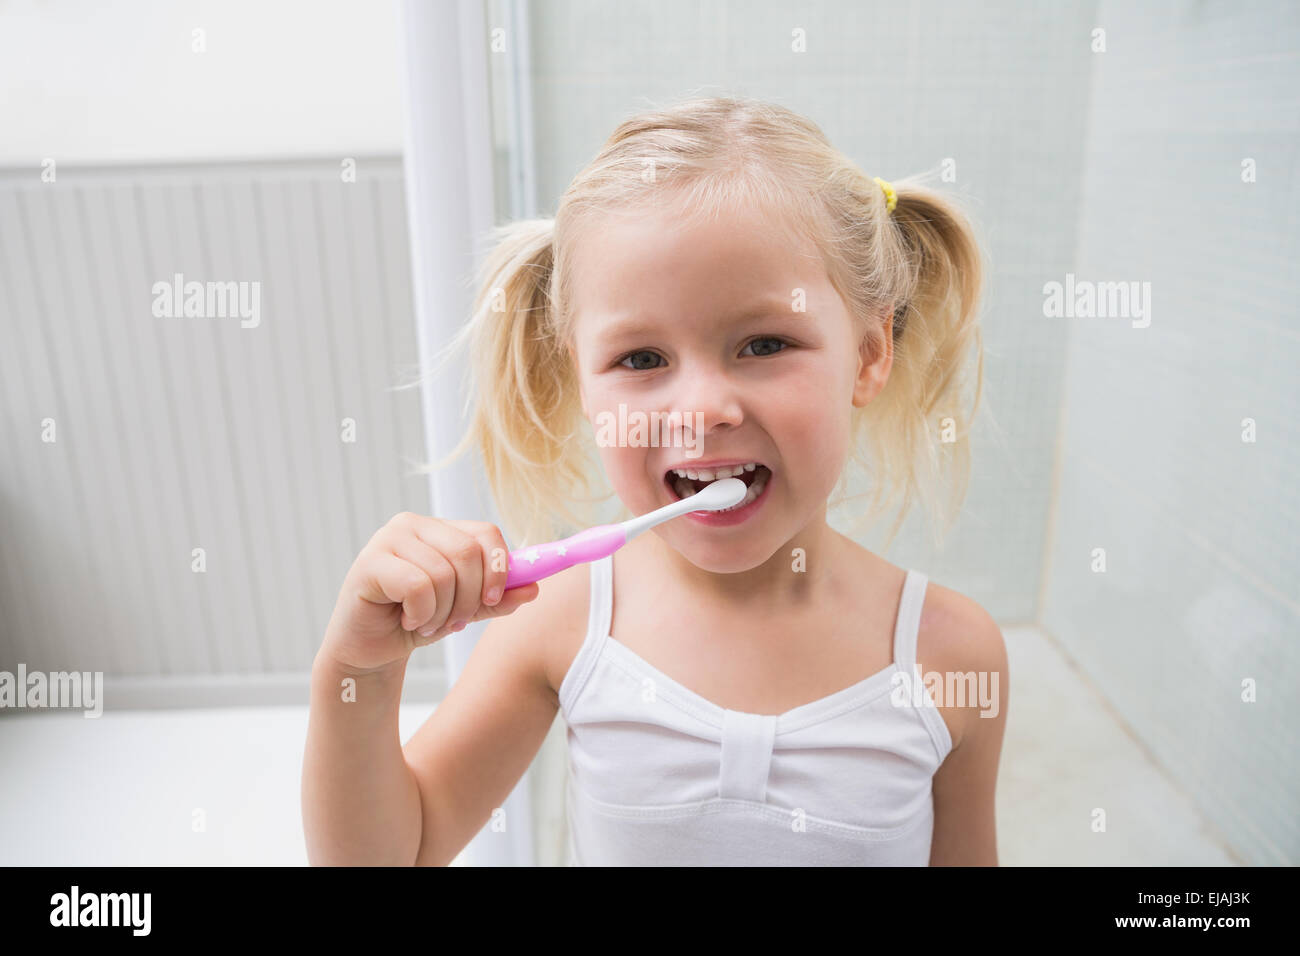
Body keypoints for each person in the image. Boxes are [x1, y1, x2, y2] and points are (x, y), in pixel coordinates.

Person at [303, 94, 1008, 866]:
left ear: (871, 354)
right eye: (641, 360)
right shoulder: (563, 622)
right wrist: (357, 677)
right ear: (580, 381)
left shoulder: (951, 653)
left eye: (765, 342)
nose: (701, 410)